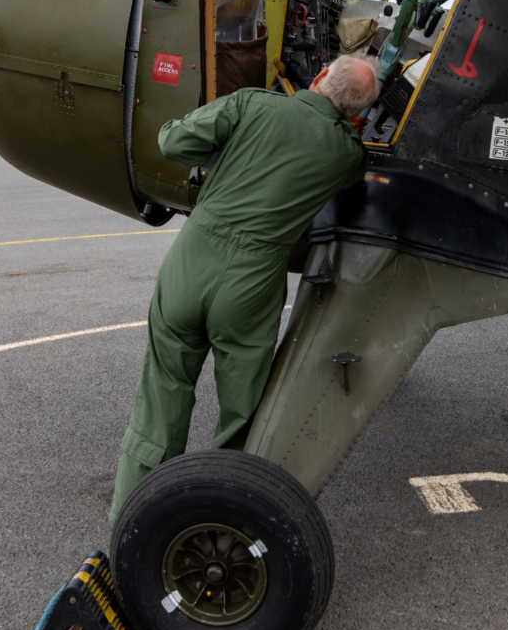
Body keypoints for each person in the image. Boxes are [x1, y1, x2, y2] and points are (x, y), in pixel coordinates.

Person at [110, 55, 381, 522]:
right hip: (252, 283)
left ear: (320, 76)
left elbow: (174, 141)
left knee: (162, 394)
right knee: (242, 414)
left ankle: (135, 520)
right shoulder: (347, 155)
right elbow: (354, 177)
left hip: (191, 261)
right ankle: (223, 518)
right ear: (358, 112)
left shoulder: (251, 104)